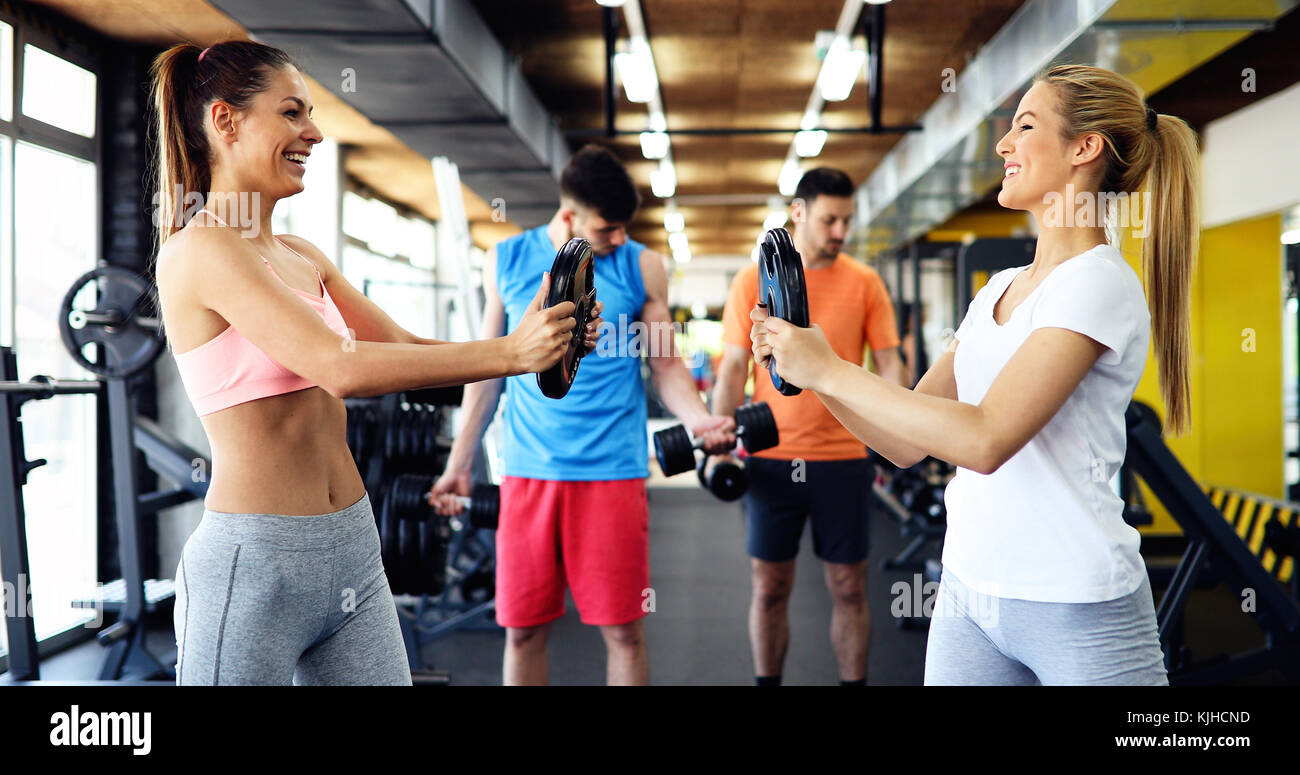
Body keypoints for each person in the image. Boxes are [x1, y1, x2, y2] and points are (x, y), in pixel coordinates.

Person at [151, 40, 596, 685]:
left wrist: (534, 343)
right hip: (256, 559)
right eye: (292, 113)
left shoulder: (301, 254)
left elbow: (405, 348)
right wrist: (509, 352)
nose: (314, 132)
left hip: (354, 546)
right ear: (226, 121)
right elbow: (342, 366)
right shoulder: (199, 251)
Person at [752, 64, 1196, 685]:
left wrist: (830, 367)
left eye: (1025, 125)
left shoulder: (1098, 283)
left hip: (1076, 603)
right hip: (969, 592)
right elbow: (905, 442)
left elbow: (985, 438)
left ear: (1085, 148)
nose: (1003, 145)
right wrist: (814, 370)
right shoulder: (999, 291)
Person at [430, 145, 735, 686]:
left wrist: (700, 421)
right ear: (568, 217)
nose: (617, 238)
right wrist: (459, 462)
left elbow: (664, 365)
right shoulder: (505, 260)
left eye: (624, 228)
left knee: (622, 631)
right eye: (607, 229)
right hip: (528, 472)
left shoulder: (644, 266)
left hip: (612, 474)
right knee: (523, 631)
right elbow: (489, 370)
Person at [714, 167, 905, 686]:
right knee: (770, 586)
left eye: (847, 219)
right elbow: (734, 367)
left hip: (844, 458)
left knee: (847, 586)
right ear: (798, 213)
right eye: (829, 219)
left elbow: (891, 363)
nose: (840, 231)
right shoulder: (753, 280)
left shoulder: (864, 281)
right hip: (770, 458)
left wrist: (905, 424)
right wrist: (718, 436)